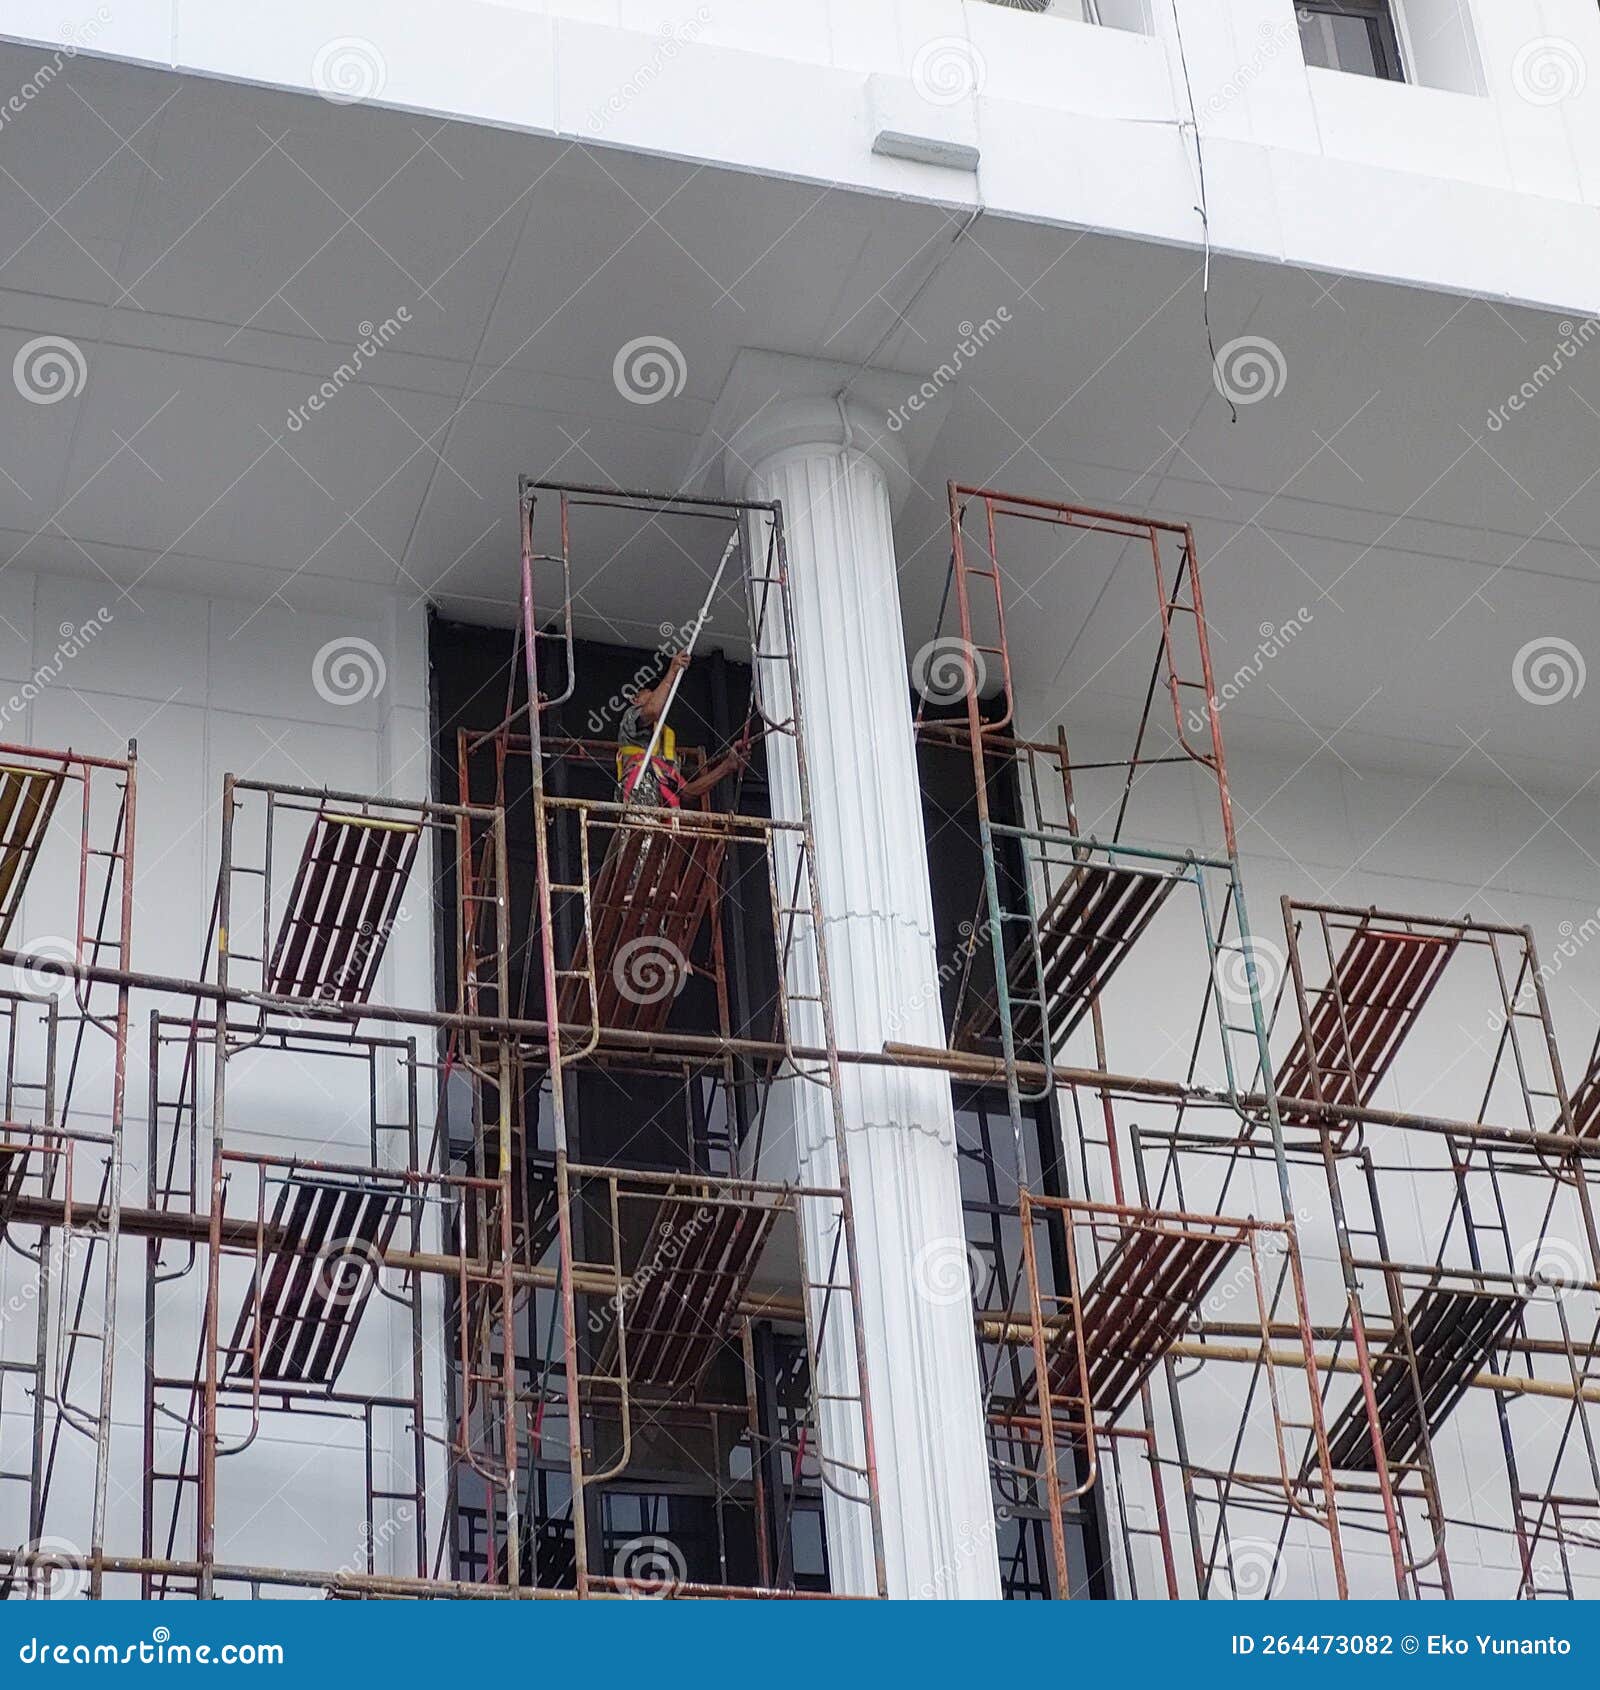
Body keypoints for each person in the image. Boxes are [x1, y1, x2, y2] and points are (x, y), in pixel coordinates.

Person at [615, 651, 746, 809]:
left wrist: (727, 766)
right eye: (649, 692)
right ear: (635, 700)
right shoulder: (631, 720)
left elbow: (688, 792)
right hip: (637, 797)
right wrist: (672, 672)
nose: (654, 695)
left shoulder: (666, 756)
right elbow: (653, 711)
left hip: (660, 819)